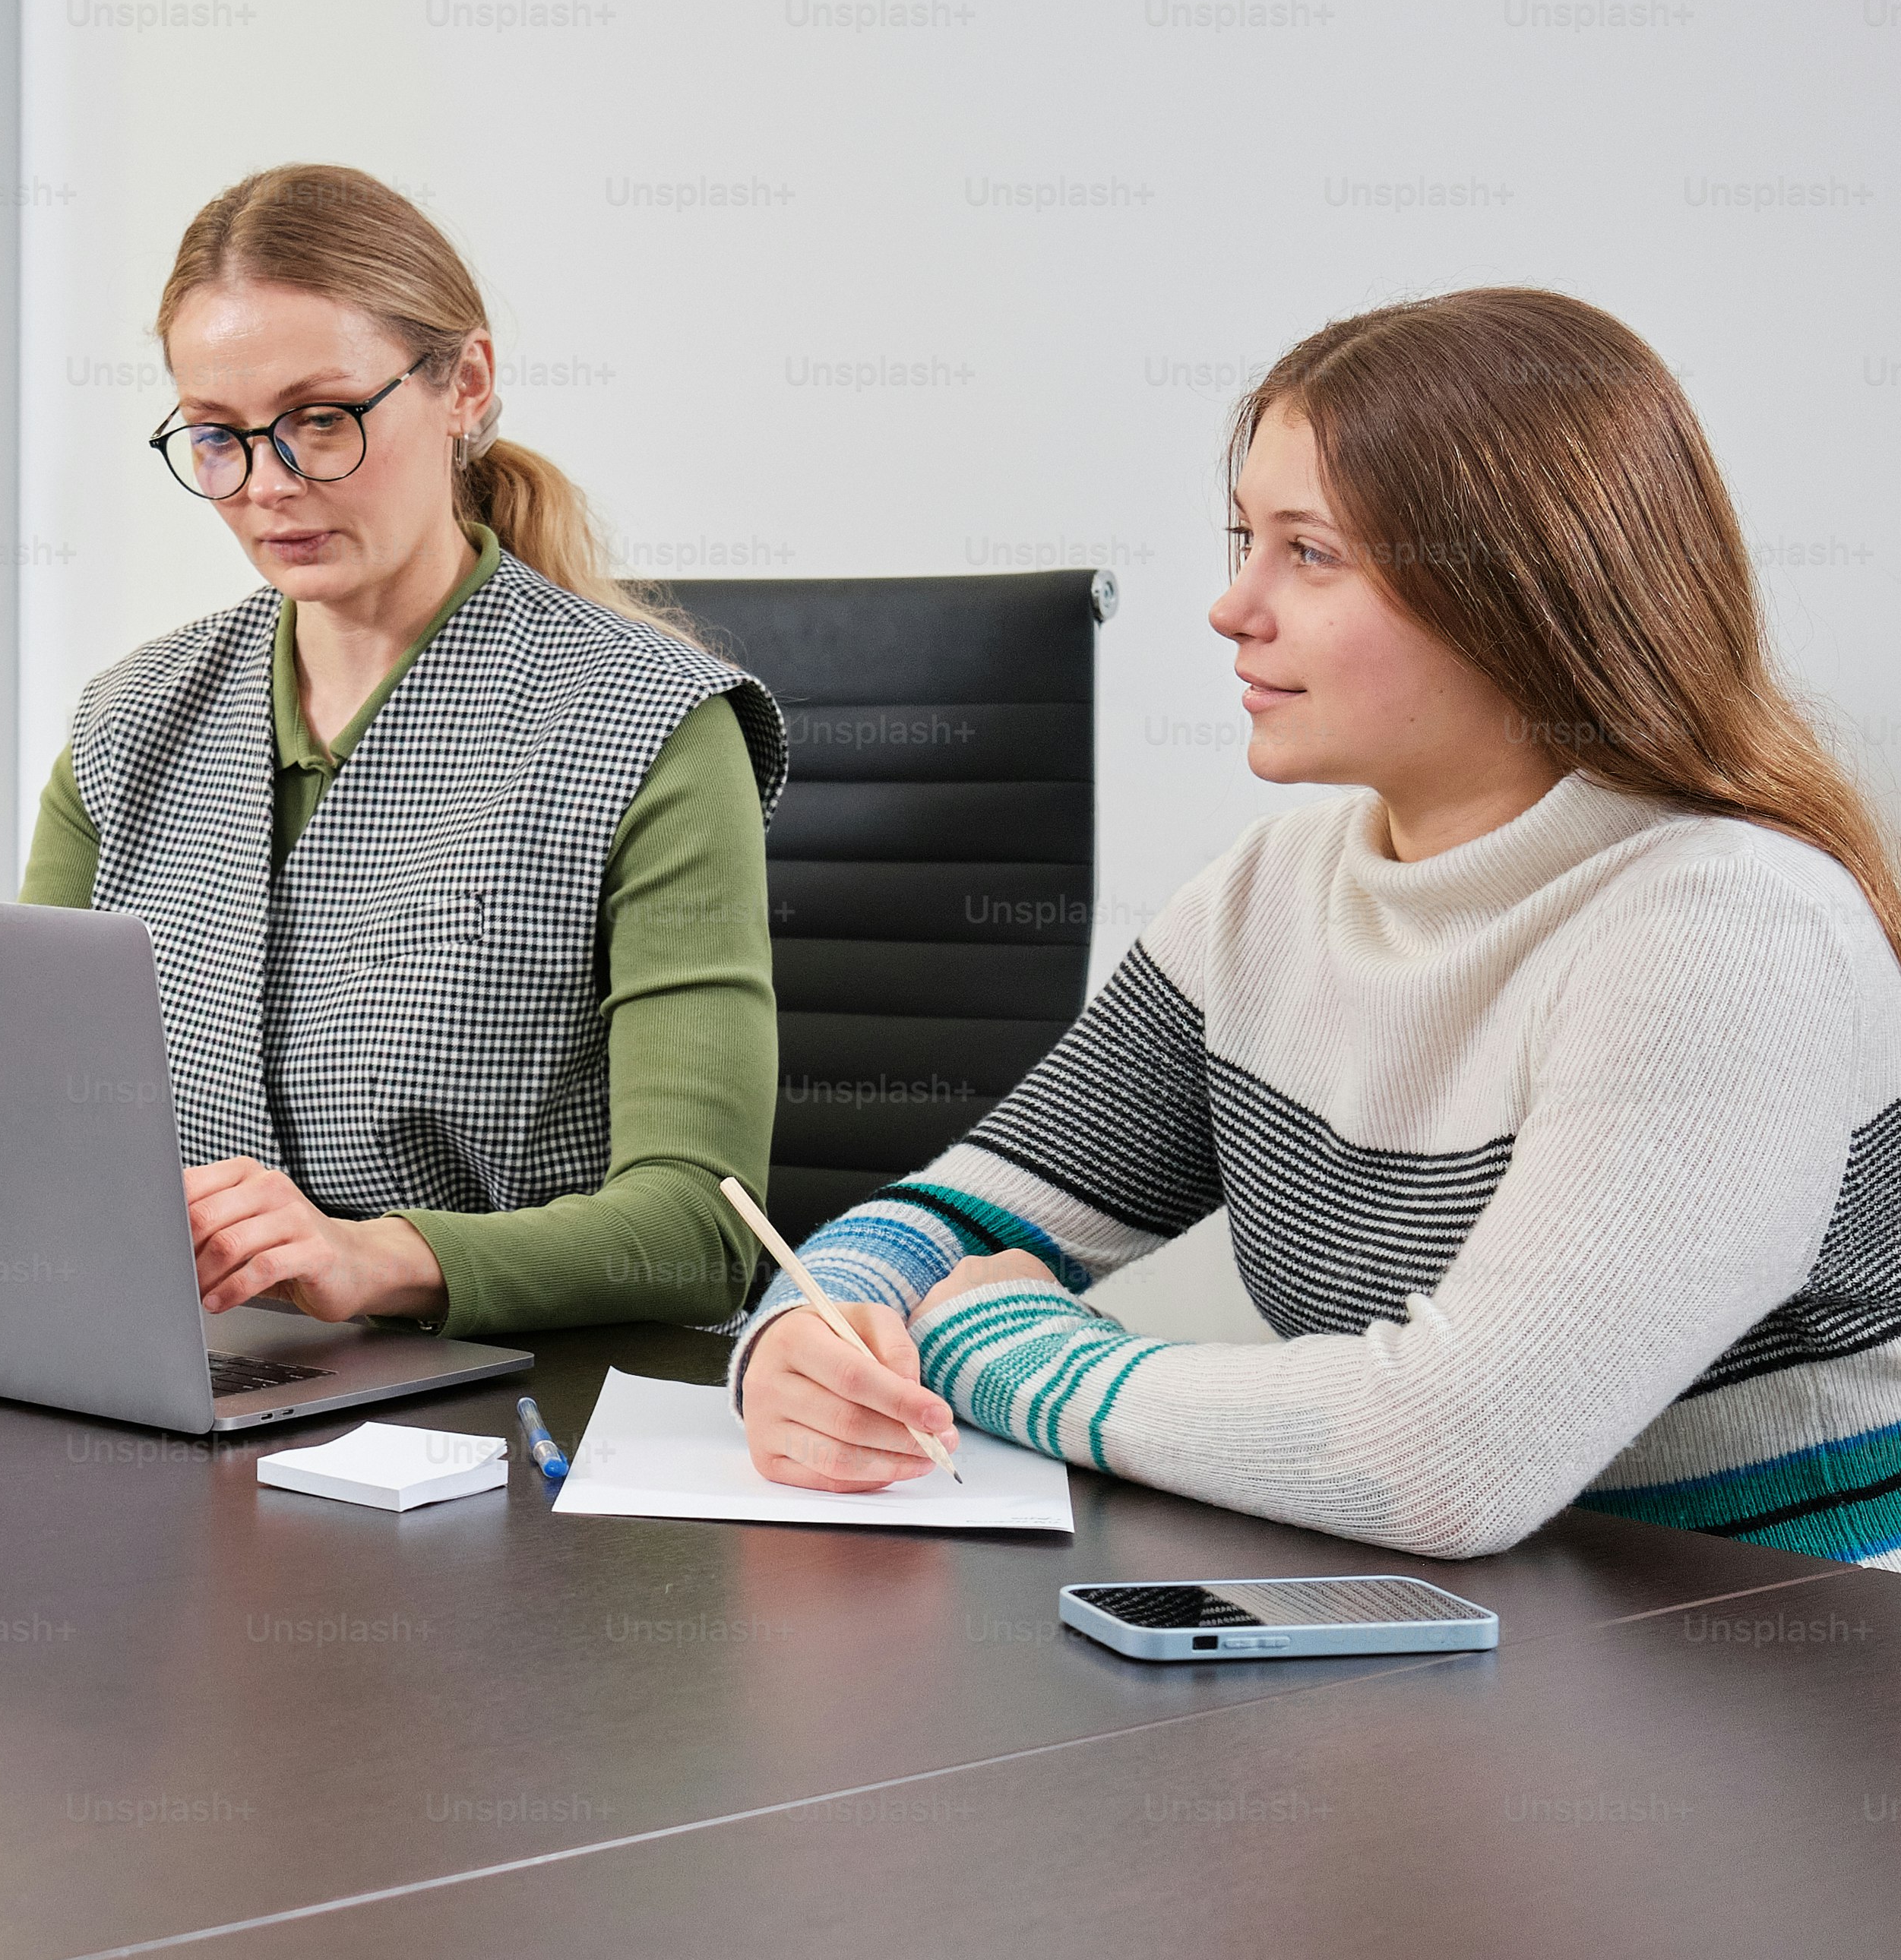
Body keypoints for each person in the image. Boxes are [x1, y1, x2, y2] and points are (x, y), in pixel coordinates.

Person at [737, 288, 1901, 1566]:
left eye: (1311, 552)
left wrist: (996, 1351)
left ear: (1525, 588)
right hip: (1463, 1651)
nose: (1235, 609)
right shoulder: (1279, 888)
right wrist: (810, 1336)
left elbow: (1452, 1454)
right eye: (1245, 540)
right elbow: (974, 1216)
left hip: (1776, 1682)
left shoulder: (1732, 933)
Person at [25, 164, 786, 1338]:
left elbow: (701, 1226)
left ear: (463, 385)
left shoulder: (650, 730)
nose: (270, 487)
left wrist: (376, 1257)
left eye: (321, 420)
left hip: (520, 1429)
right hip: (194, 1393)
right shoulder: (129, 724)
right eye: (219, 439)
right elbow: (40, 1121)